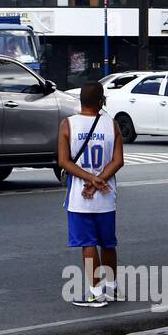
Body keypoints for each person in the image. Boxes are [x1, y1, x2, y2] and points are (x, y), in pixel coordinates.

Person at [57, 82, 124, 307]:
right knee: (108, 244)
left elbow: (63, 161)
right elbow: (118, 161)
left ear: (81, 101)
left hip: (80, 198)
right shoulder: (111, 125)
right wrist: (99, 180)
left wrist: (89, 180)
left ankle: (95, 293)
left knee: (88, 245)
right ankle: (113, 289)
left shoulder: (68, 125)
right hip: (106, 197)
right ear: (101, 101)